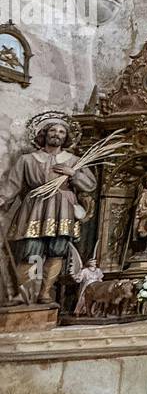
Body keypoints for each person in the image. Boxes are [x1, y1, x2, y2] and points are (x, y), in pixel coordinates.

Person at [0, 112, 97, 305]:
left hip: (62, 209)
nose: (57, 134)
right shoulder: (27, 159)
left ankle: (44, 293)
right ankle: (21, 294)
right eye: (53, 130)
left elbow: (90, 185)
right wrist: (2, 199)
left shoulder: (74, 161)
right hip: (35, 206)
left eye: (61, 131)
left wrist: (73, 174)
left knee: (57, 251)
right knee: (30, 250)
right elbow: (13, 184)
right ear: (44, 134)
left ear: (66, 137)